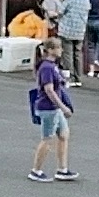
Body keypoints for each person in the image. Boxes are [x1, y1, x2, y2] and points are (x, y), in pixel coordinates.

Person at [28, 38, 78, 183]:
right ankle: (36, 170)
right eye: (58, 47)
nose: (61, 50)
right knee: (47, 138)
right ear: (50, 50)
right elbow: (49, 90)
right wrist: (63, 107)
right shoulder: (47, 68)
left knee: (64, 134)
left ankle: (62, 169)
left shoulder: (52, 66)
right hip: (49, 108)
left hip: (54, 108)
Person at [55, 0, 90, 80]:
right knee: (78, 54)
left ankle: (69, 77)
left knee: (68, 54)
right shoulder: (87, 1)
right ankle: (78, 78)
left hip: (67, 30)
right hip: (80, 31)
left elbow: (60, 12)